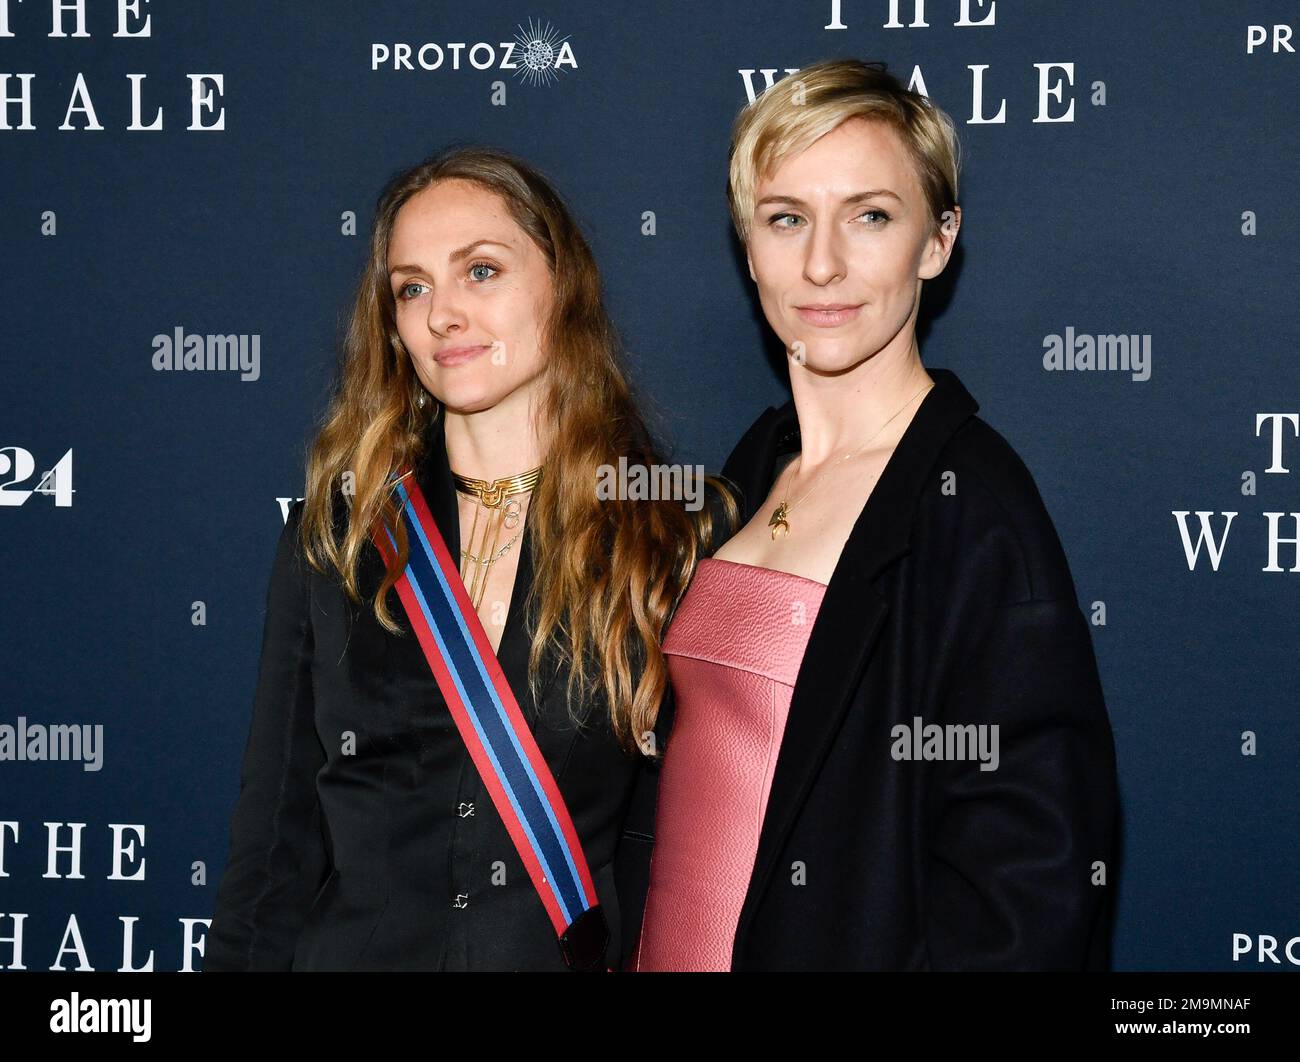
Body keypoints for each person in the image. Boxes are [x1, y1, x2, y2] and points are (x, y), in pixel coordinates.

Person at [631, 59, 1120, 971]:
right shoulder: (752, 469)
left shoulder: (973, 508)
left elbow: (1032, 894)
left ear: (937, 243)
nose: (822, 263)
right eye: (786, 219)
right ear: (748, 244)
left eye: (871, 216)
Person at [204, 145, 733, 971]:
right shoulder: (338, 535)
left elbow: (690, 849)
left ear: (562, 283)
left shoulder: (667, 531)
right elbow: (275, 841)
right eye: (412, 287)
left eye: (480, 271)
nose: (442, 314)